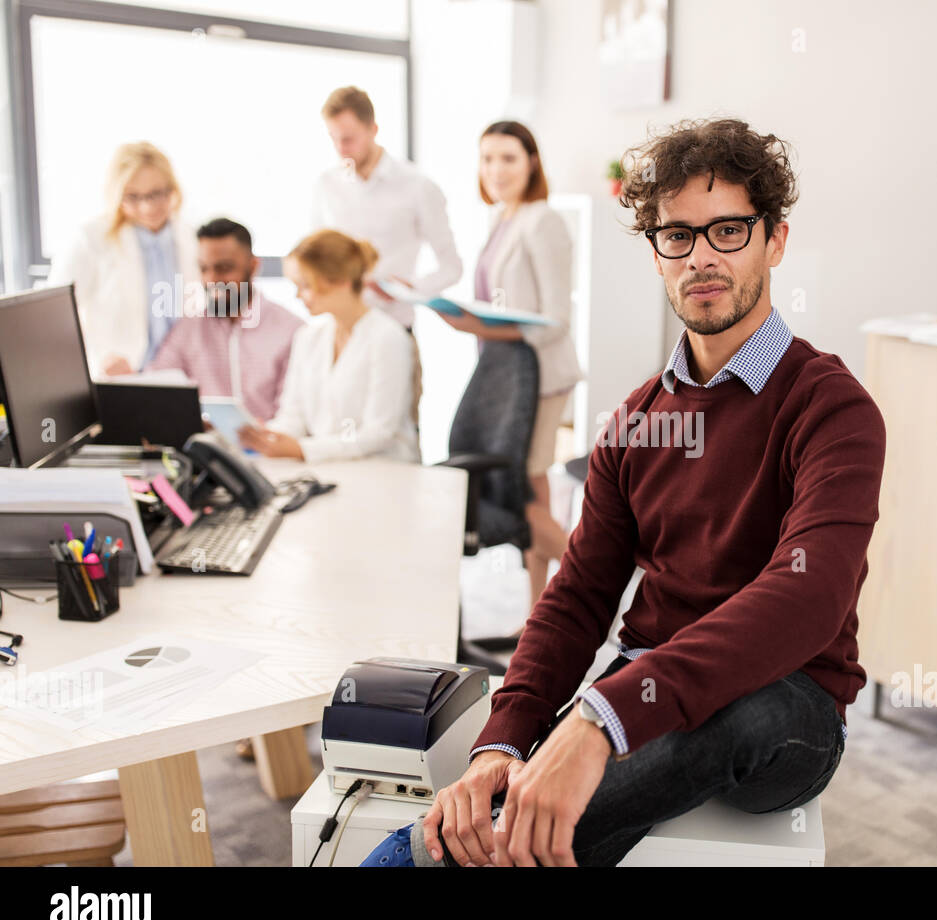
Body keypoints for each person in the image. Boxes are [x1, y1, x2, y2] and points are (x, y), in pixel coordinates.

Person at [360, 117, 886, 868]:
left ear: (776, 241)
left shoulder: (831, 405)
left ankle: (431, 859)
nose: (702, 257)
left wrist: (600, 720)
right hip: (648, 687)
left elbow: (808, 600)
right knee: (541, 760)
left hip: (786, 710)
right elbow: (577, 598)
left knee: (740, 707)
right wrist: (503, 740)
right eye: (677, 236)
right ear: (657, 253)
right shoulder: (635, 419)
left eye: (729, 231)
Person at [434, 120, 583, 607]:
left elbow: (556, 320)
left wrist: (477, 326)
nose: (496, 169)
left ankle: (591, 588)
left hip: (539, 377)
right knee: (533, 494)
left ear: (532, 163)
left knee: (528, 498)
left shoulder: (543, 220)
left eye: (508, 158)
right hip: (509, 376)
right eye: (487, 158)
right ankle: (540, 611)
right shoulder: (504, 217)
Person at [237, 229, 418, 463]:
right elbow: (293, 416)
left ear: (341, 280)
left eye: (305, 285)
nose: (297, 295)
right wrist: (269, 436)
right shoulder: (308, 337)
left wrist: (303, 450)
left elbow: (379, 433)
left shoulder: (387, 338)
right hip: (329, 470)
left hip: (382, 470)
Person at [310, 86, 462, 330]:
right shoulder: (326, 184)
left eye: (348, 138)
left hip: (394, 327)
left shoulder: (418, 186)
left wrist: (410, 288)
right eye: (333, 138)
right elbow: (315, 256)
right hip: (340, 330)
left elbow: (452, 268)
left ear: (373, 129)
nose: (340, 148)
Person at [47, 142, 199, 376]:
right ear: (117, 195)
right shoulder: (91, 239)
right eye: (134, 197)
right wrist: (98, 360)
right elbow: (54, 316)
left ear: (173, 189)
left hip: (180, 377)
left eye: (157, 194)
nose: (148, 207)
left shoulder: (190, 238)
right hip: (120, 376)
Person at [147, 218, 302, 421]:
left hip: (270, 449)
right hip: (201, 448)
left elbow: (294, 416)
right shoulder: (189, 328)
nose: (211, 280)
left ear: (254, 266)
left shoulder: (292, 331)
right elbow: (157, 385)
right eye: (204, 269)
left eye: (224, 268)